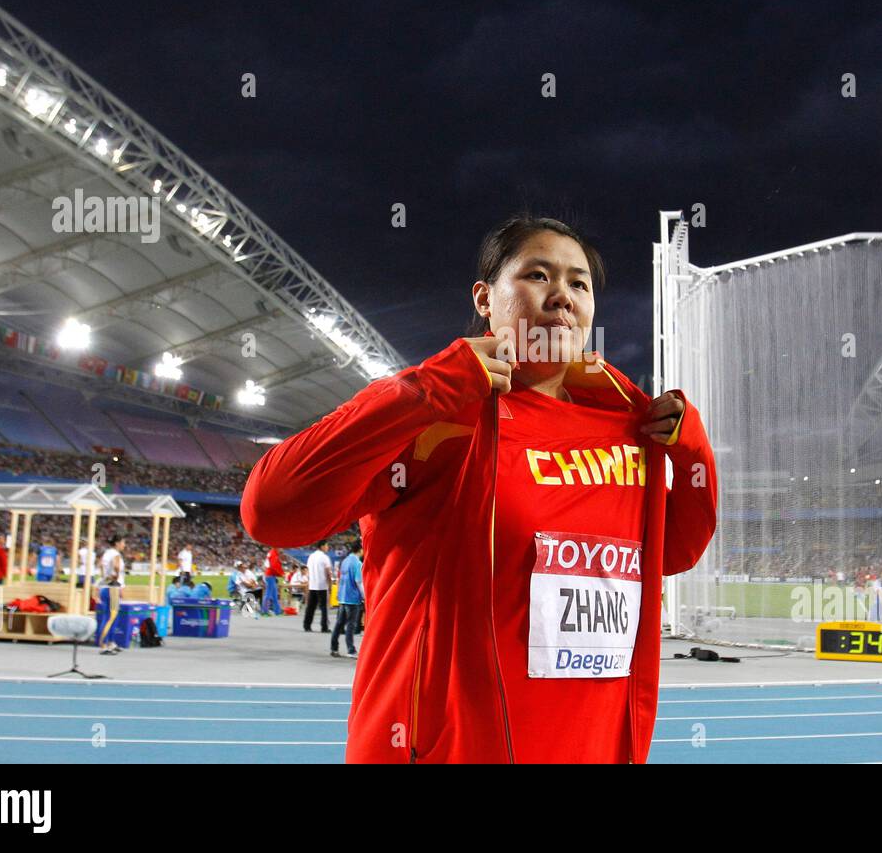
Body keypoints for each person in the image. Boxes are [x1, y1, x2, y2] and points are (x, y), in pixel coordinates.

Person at [242, 214, 718, 763]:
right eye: (538, 275)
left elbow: (675, 552)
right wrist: (427, 389)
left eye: (579, 283)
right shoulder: (439, 414)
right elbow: (271, 513)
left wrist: (691, 455)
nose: (562, 296)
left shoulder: (627, 430)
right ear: (485, 299)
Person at [330, 543, 364, 657]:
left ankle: (334, 648)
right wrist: (364, 596)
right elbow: (359, 581)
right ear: (360, 550)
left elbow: (340, 579)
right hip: (352, 598)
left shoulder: (344, 561)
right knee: (351, 625)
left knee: (339, 624)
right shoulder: (357, 563)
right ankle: (351, 650)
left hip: (343, 597)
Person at [97, 535, 126, 655]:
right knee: (110, 618)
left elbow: (100, 565)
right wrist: (116, 578)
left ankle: (111, 642)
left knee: (112, 617)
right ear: (117, 543)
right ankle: (104, 645)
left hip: (106, 587)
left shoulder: (106, 553)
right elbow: (116, 566)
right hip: (112, 588)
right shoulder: (115, 554)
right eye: (123, 542)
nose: (124, 545)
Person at [303, 543, 332, 633]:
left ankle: (307, 625)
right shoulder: (324, 557)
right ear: (322, 546)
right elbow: (328, 572)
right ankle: (324, 627)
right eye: (326, 545)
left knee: (310, 607)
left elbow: (307, 570)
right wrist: (330, 584)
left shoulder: (311, 556)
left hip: (313, 585)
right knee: (324, 608)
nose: (327, 547)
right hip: (322, 585)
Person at [262, 546, 283, 616]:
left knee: (274, 594)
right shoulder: (273, 554)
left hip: (271, 575)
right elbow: (274, 566)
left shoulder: (272, 553)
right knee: (268, 594)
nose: (281, 549)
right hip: (270, 575)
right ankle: (264, 611)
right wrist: (281, 573)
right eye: (280, 548)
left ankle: (277, 611)